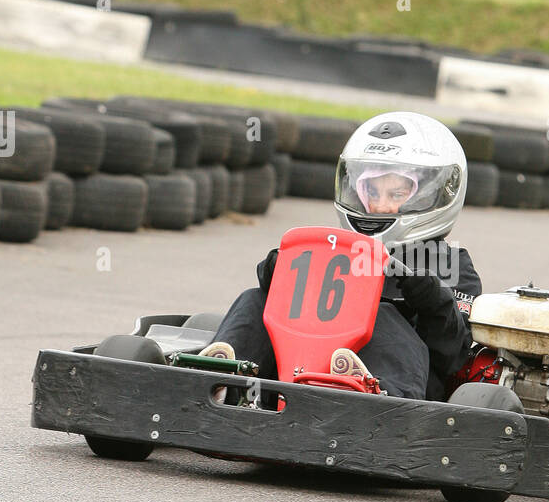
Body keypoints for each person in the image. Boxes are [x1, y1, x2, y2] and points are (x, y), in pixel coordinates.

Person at [202, 112, 481, 400]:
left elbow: (453, 358)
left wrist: (431, 298)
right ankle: (221, 379)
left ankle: (364, 391)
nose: (379, 206)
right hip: (291, 372)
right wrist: (277, 268)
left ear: (442, 192)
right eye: (371, 192)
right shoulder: (339, 249)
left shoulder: (449, 264)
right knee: (255, 299)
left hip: (402, 395)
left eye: (396, 194)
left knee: (380, 315)